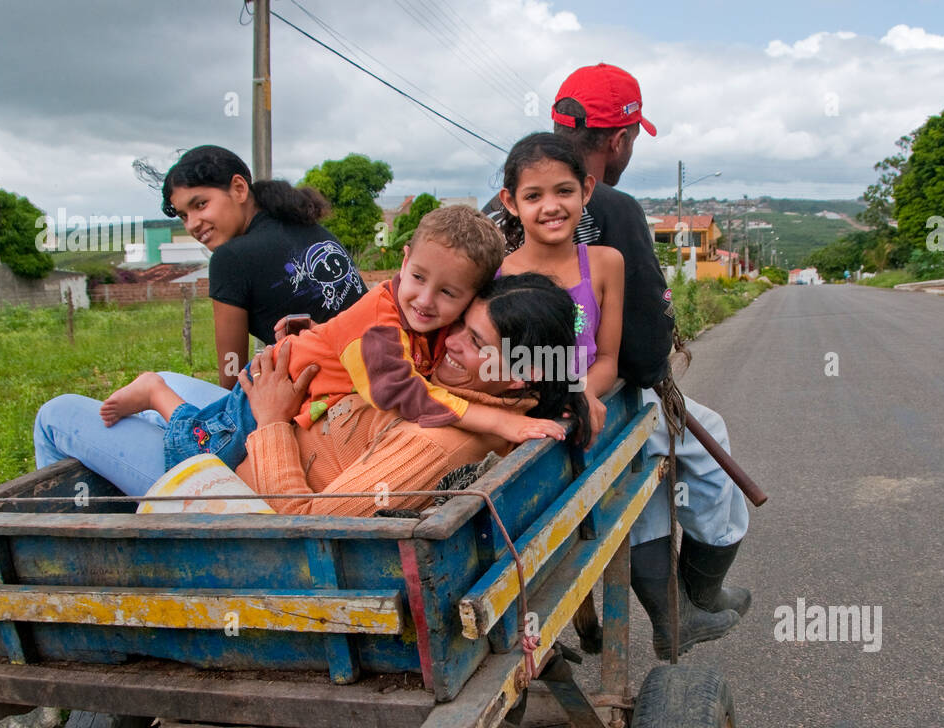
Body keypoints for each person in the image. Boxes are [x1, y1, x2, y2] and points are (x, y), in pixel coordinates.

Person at [487, 63, 751, 659]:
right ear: (620, 140)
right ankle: (697, 599)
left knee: (647, 459)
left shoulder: (498, 210)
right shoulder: (615, 211)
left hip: (513, 399)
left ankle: (671, 613)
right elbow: (644, 351)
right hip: (586, 401)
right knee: (698, 446)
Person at [96, 206, 565, 472]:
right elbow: (400, 392)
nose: (424, 300)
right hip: (263, 397)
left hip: (297, 395)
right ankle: (157, 394)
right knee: (197, 452)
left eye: (448, 293)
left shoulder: (431, 321)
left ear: (471, 296)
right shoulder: (383, 322)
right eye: (418, 277)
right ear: (404, 259)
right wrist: (498, 422)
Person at [234, 273, 590, 517]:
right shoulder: (452, 385)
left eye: (476, 341)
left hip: (241, 510)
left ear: (520, 375)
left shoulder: (434, 446)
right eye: (460, 323)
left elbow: (310, 530)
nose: (450, 341)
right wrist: (327, 342)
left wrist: (271, 421)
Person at [159, 145, 368, 387]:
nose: (192, 224)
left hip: (333, 396)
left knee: (162, 387)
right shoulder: (306, 225)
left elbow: (232, 373)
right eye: (184, 215)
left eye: (201, 204)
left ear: (239, 189)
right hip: (380, 369)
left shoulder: (230, 259)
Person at [495, 133, 624, 445]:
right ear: (511, 202)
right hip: (520, 428)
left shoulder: (606, 264)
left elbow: (607, 359)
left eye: (564, 191)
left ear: (586, 190)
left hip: (582, 420)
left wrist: (582, 391)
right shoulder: (497, 275)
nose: (550, 207)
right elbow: (491, 362)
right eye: (533, 196)